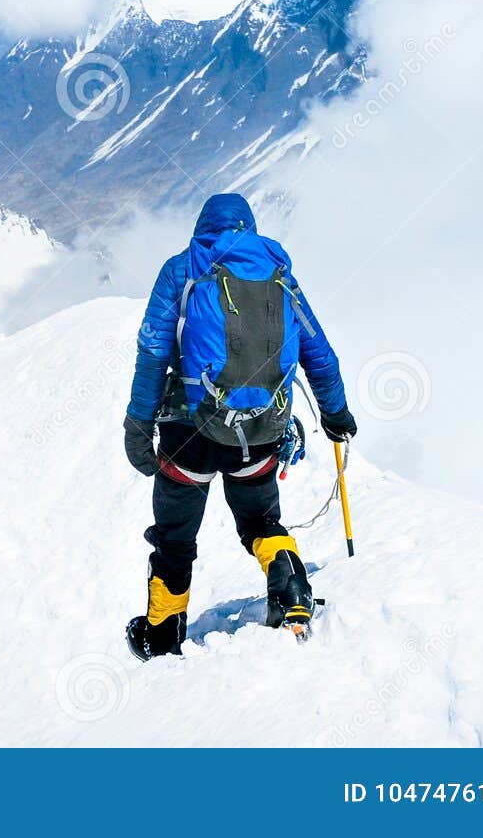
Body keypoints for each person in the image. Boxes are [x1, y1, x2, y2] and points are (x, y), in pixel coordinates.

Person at [122, 193, 356, 658]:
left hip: (187, 436)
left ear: (202, 227)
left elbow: (152, 351)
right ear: (248, 227)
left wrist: (138, 424)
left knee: (175, 539)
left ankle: (162, 634)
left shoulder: (182, 269)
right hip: (261, 431)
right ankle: (290, 587)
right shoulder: (278, 273)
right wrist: (335, 413)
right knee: (260, 521)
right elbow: (319, 353)